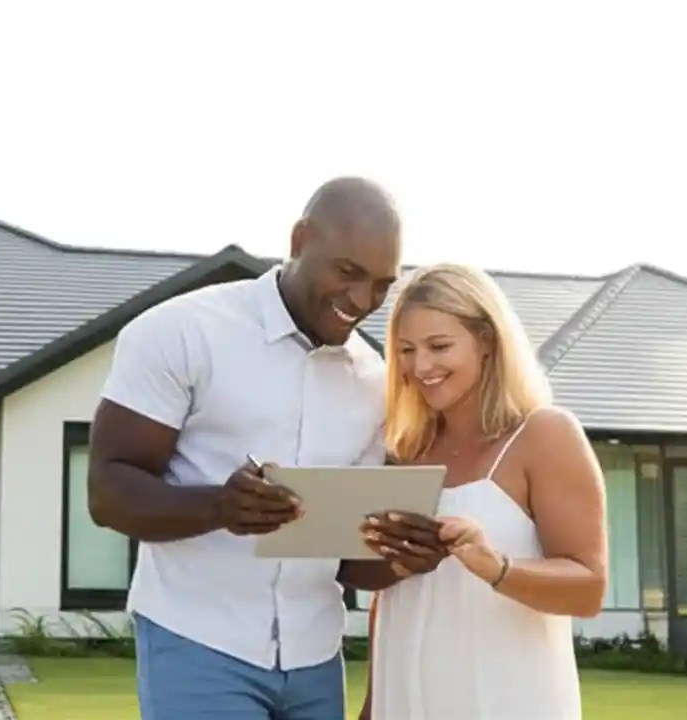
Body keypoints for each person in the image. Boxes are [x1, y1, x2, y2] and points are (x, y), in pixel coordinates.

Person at [87, 177, 447, 720]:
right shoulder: (181, 332)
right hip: (197, 642)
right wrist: (219, 507)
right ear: (300, 241)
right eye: (347, 272)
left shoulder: (374, 382)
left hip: (315, 658)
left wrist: (403, 556)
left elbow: (352, 562)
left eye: (380, 284)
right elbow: (107, 490)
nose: (362, 301)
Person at [360, 264, 609, 719]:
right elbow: (391, 594)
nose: (422, 367)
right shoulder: (404, 450)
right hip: (406, 700)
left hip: (506, 696)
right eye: (407, 351)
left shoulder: (544, 434)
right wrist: (371, 708)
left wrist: (496, 567)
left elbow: (588, 589)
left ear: (487, 340)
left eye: (439, 347)